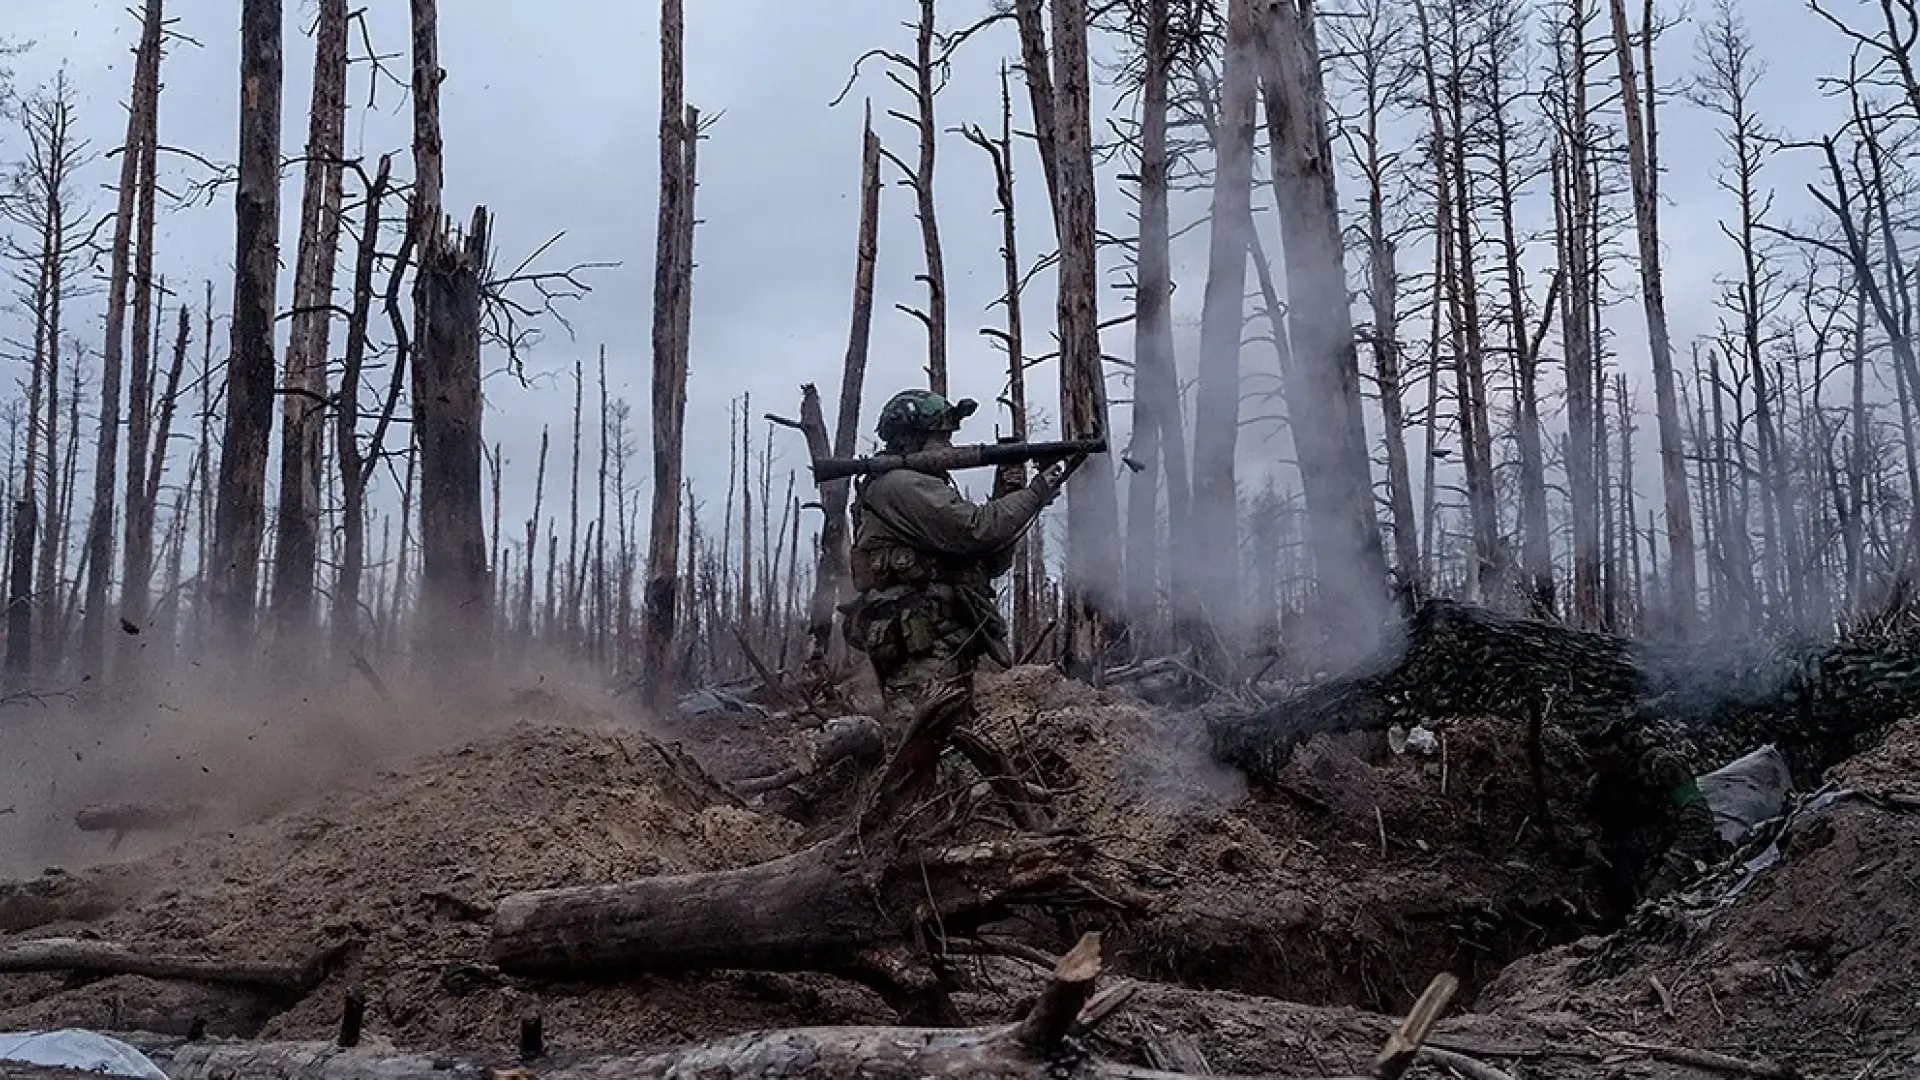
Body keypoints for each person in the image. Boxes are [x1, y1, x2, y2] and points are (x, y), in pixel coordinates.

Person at [844, 389, 1076, 749]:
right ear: (912, 438)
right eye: (941, 439)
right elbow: (976, 530)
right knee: (919, 749)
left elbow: (987, 561)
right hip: (918, 641)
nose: (949, 449)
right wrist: (1038, 490)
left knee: (949, 745)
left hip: (943, 640)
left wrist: (1009, 493)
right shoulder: (900, 485)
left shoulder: (919, 486)